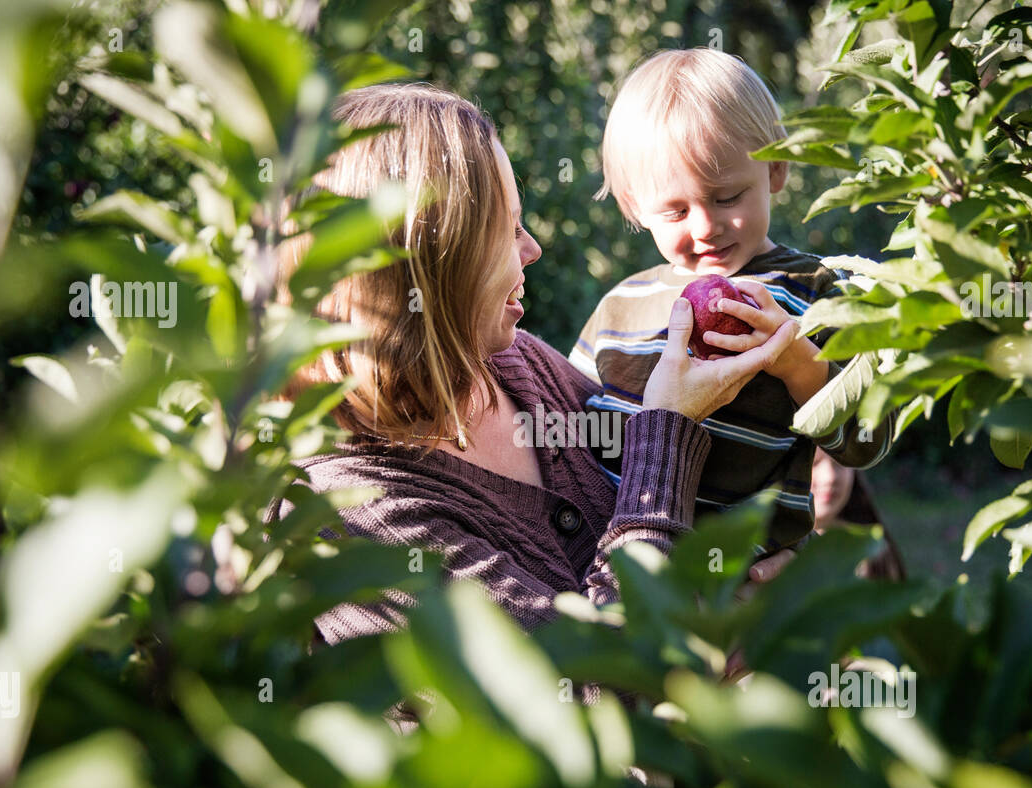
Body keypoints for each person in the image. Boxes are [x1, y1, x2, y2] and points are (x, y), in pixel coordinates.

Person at [267, 83, 803, 645]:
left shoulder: (517, 366)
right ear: (432, 263)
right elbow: (591, 689)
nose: (532, 250)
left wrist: (774, 555)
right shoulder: (351, 516)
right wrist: (669, 425)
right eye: (507, 229)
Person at [571, 48, 892, 561]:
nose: (705, 228)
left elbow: (868, 440)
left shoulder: (813, 292)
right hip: (635, 565)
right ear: (635, 206)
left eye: (727, 198)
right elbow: (571, 422)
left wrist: (794, 361)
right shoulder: (622, 306)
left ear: (776, 171)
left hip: (749, 573)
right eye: (675, 210)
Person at [811, 447, 906, 581]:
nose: (830, 477)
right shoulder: (776, 554)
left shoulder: (872, 550)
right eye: (813, 462)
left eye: (841, 462)